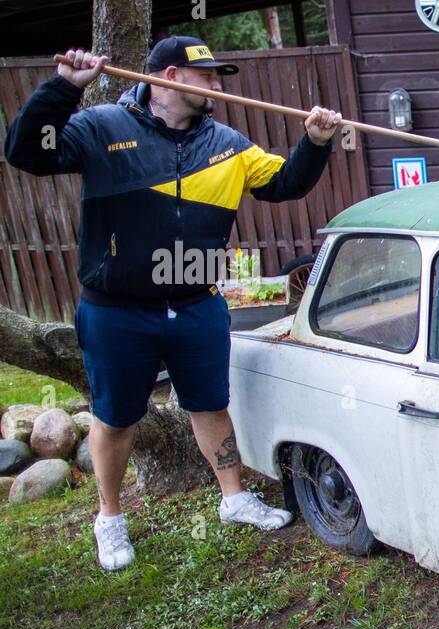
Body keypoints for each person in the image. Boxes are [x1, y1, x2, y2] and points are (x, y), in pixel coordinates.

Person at [4, 36, 344, 571]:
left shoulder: (229, 143)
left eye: (218, 76)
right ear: (170, 77)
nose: (217, 85)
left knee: (209, 403)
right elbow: (27, 152)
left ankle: (234, 498)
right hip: (118, 307)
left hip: (197, 302)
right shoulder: (101, 127)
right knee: (116, 417)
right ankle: (110, 517)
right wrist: (62, 89)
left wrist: (316, 142)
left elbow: (284, 185)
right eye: (207, 76)